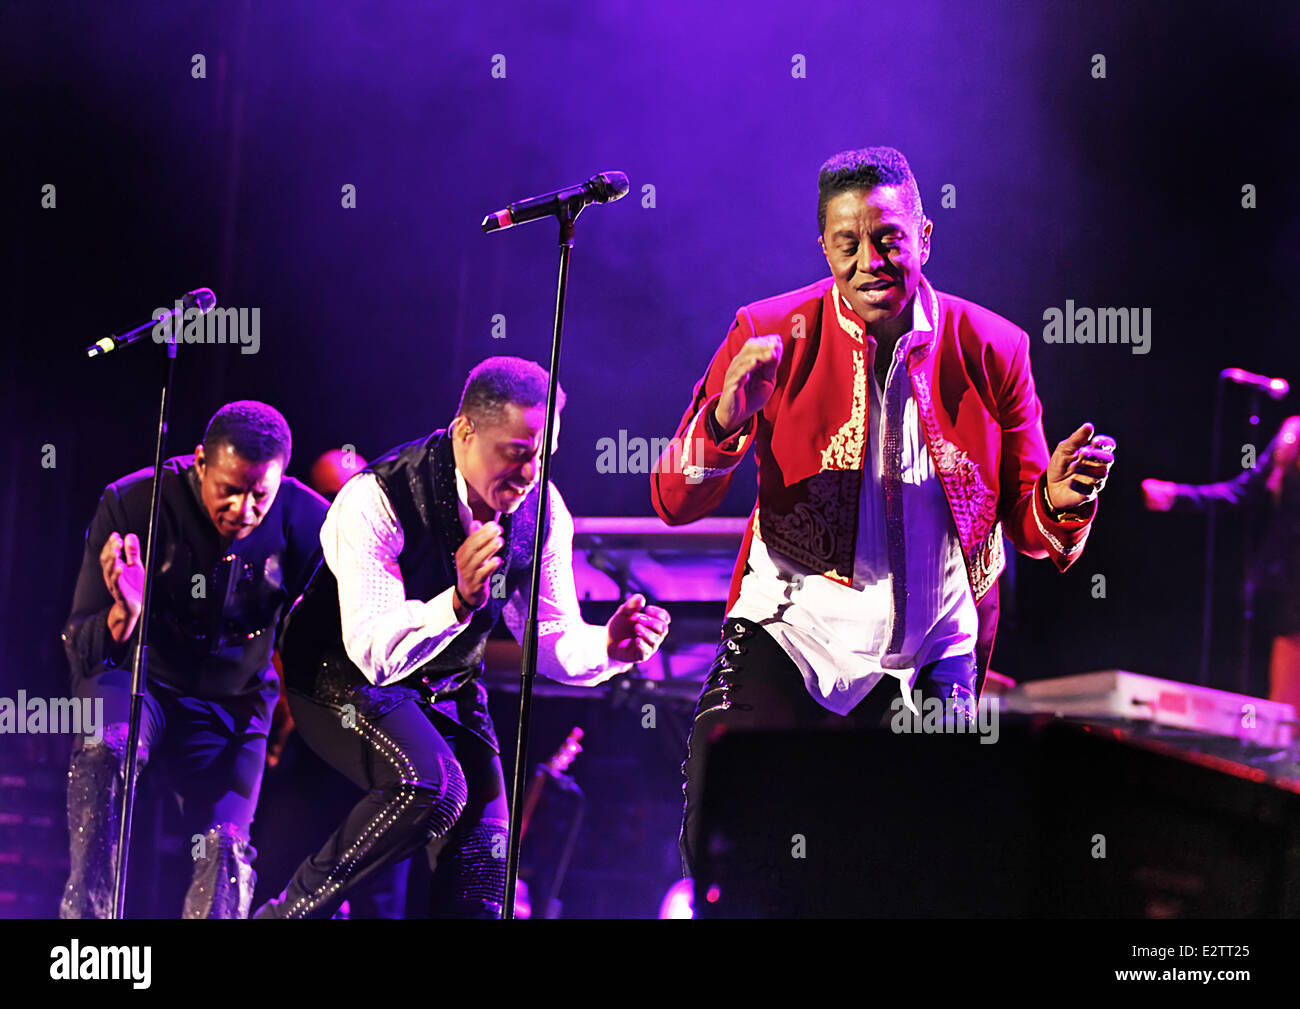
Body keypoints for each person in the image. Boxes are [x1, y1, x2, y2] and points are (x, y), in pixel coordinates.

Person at [651, 146, 1117, 875]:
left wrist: (1059, 499)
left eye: (890, 238)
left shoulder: (993, 348)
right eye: (849, 243)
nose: (871, 259)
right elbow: (674, 496)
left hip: (933, 653)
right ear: (825, 248)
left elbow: (1029, 529)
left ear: (924, 236)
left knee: (928, 861)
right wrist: (722, 421)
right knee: (724, 825)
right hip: (791, 638)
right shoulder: (770, 330)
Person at [256, 356, 671, 918]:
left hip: (445, 683)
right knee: (429, 785)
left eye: (543, 455)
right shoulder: (376, 498)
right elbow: (374, 653)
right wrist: (457, 603)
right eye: (517, 453)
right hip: (338, 679)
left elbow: (548, 637)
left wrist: (608, 647)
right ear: (465, 431)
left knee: (486, 851)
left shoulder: (543, 512)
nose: (530, 474)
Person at [60, 401, 328, 917]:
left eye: (260, 495)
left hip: (233, 698)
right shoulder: (136, 501)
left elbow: (327, 637)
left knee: (225, 845)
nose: (243, 510)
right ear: (201, 462)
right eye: (228, 489)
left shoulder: (308, 520)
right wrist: (125, 612)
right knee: (105, 749)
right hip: (139, 676)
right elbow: (79, 645)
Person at [1142, 416, 1300, 711]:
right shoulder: (1293, 436)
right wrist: (1178, 496)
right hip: (1291, 593)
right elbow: (1241, 492)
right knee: (1288, 713)